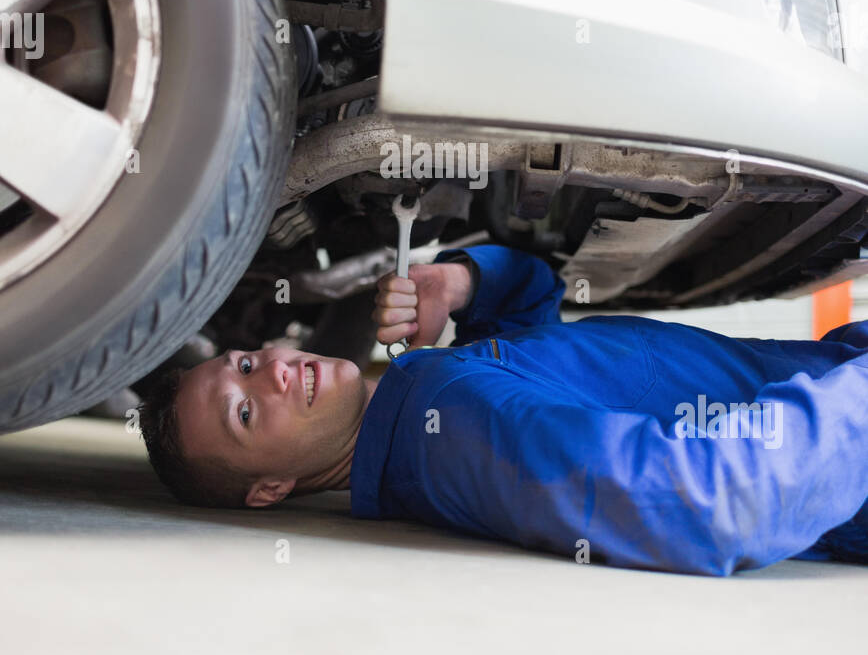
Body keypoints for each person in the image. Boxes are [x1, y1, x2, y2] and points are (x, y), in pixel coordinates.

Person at [139, 245, 868, 576]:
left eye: (241, 364)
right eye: (244, 414)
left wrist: (462, 284)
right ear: (269, 490)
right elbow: (707, 500)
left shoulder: (420, 410)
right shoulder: (448, 426)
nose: (268, 372)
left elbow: (537, 324)